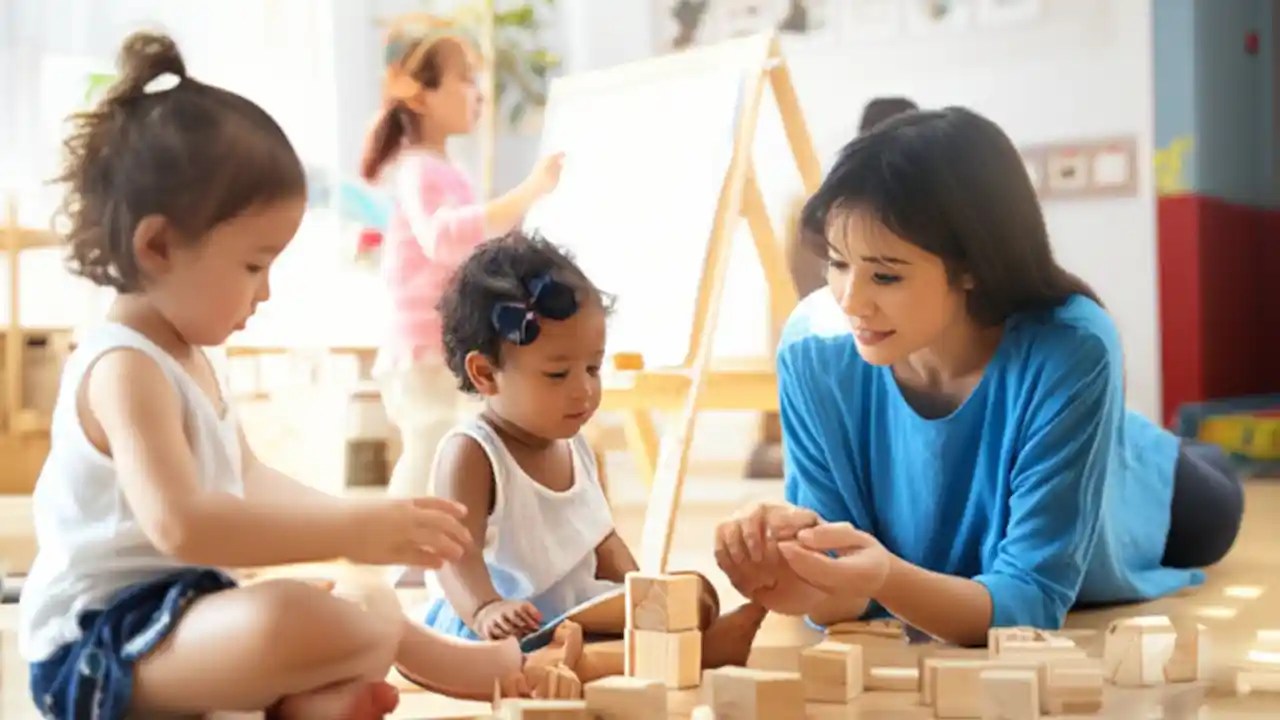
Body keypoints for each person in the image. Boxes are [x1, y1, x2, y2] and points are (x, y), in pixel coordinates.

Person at [16, 32, 569, 720]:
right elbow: (183, 526)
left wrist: (360, 521)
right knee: (290, 619)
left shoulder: (188, 358)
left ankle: (317, 697)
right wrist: (348, 532)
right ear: (157, 245)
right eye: (254, 265)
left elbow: (248, 480)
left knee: (351, 601)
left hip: (182, 617)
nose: (266, 291)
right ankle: (382, 665)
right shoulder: (124, 366)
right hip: (98, 650)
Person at [714, 106, 1245, 648]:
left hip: (1145, 492)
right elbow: (844, 586)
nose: (850, 301)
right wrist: (802, 577)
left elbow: (1031, 599)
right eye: (838, 263)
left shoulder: (1073, 345)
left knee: (1214, 513)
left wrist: (885, 578)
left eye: (885, 275)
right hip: (1035, 438)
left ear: (972, 266)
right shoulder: (813, 346)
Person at [413, 231, 767, 675]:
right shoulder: (473, 453)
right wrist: (485, 608)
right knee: (534, 660)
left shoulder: (576, 445)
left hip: (571, 614)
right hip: (501, 627)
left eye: (593, 368)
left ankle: (649, 649)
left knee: (694, 593)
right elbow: (454, 554)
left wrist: (644, 595)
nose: (583, 389)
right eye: (558, 374)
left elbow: (602, 541)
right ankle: (686, 654)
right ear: (486, 373)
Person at [360, 33, 564, 590]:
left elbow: (473, 244)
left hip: (446, 341)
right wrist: (527, 192)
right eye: (465, 79)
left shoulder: (445, 169)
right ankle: (399, 556)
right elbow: (446, 238)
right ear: (423, 96)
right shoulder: (418, 169)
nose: (478, 92)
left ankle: (432, 557)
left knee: (449, 448)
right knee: (430, 446)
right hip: (423, 345)